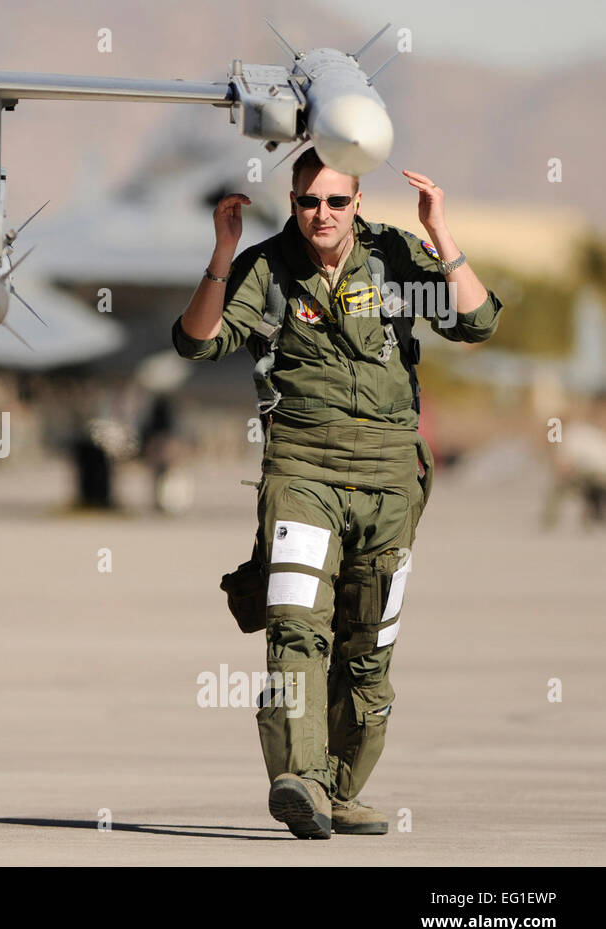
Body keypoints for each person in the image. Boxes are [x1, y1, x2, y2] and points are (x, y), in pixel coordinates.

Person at [173, 147, 502, 838]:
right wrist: (222, 252)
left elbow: (475, 323)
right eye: (307, 201)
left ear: (357, 201)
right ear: (291, 201)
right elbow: (199, 343)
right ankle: (300, 780)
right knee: (296, 627)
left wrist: (439, 231)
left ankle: (340, 788)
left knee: (369, 645)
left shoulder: (395, 255)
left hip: (389, 479)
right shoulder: (265, 266)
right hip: (303, 470)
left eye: (337, 202)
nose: (321, 215)